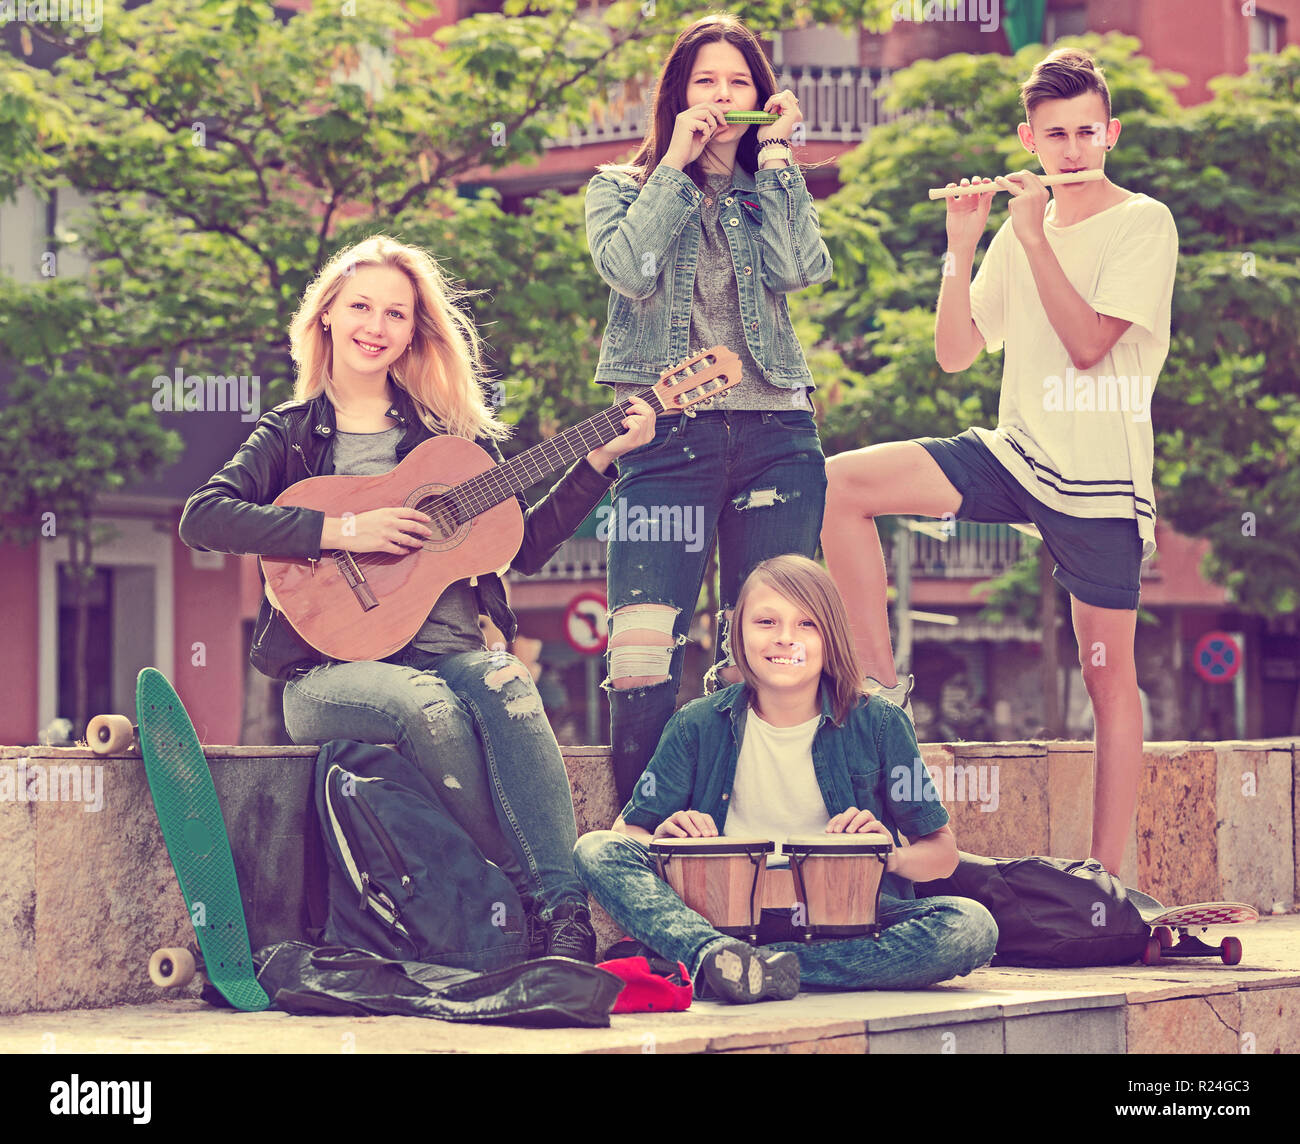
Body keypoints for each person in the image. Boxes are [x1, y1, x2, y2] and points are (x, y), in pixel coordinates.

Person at [180, 235, 656, 962]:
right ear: (328, 317)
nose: (376, 325)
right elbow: (204, 517)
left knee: (506, 682)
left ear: (413, 332)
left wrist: (598, 461)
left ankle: (563, 919)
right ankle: (513, 886)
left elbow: (522, 547)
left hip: (452, 657)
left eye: (395, 314)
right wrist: (345, 527)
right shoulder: (290, 435)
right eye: (361, 306)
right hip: (328, 677)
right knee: (420, 702)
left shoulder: (448, 448)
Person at [821, 48, 1178, 875]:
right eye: (1055, 135)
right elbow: (955, 353)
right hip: (1015, 453)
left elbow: (1090, 344)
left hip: (1100, 478)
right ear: (1029, 137)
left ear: (1112, 132)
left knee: (1106, 677)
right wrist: (964, 241)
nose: (1072, 149)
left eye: (1087, 132)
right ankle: (880, 693)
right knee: (842, 482)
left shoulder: (1142, 222)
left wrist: (1026, 234)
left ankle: (1109, 880)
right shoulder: (1019, 233)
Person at [584, 13, 834, 808]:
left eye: (739, 83)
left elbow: (802, 270)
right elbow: (628, 269)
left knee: (768, 652)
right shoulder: (620, 187)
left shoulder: (772, 188)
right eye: (706, 82)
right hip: (665, 441)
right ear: (678, 95)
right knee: (641, 652)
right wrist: (678, 166)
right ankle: (647, 849)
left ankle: (751, 841)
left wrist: (778, 159)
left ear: (761, 97)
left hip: (777, 436)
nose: (723, 97)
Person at [574, 554, 998, 1002]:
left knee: (969, 926)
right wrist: (666, 841)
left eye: (807, 624)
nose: (784, 639)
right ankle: (713, 951)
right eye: (766, 622)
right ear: (739, 634)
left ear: (830, 635)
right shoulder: (696, 724)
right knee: (596, 847)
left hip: (849, 921)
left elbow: (943, 852)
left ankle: (728, 966)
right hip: (723, 915)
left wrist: (887, 855)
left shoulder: (880, 723)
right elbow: (628, 833)